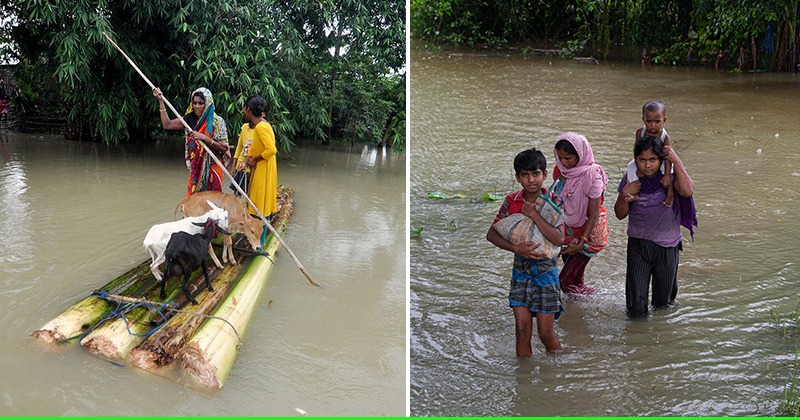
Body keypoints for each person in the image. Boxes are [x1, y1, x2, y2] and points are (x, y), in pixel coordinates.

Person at [486, 148, 565, 356]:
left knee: (545, 333)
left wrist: (532, 214)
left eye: (536, 174)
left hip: (546, 273)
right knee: (521, 331)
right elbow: (491, 234)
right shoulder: (511, 201)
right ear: (518, 178)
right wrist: (515, 248)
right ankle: (523, 381)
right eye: (525, 175)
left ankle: (559, 370)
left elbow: (559, 238)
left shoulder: (553, 201)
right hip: (520, 271)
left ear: (545, 175)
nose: (531, 180)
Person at [614, 136, 697, 318]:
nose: (647, 165)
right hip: (638, 245)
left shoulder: (670, 180)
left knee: (663, 304)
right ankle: (638, 339)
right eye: (642, 160)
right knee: (636, 307)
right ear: (635, 160)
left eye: (653, 160)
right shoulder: (631, 178)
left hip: (667, 246)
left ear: (660, 161)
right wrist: (623, 195)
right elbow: (620, 214)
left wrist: (675, 160)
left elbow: (688, 190)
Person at [552, 132, 609, 295]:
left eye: (568, 158)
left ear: (581, 155)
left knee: (565, 281)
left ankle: (592, 302)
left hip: (588, 233)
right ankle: (579, 311)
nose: (563, 162)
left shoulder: (593, 175)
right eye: (560, 157)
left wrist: (582, 241)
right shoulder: (560, 170)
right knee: (575, 281)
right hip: (568, 229)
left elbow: (593, 214)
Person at [153, 87, 231, 196]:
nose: (197, 107)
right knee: (194, 203)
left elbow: (224, 148)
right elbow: (167, 125)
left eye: (200, 103)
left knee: (213, 203)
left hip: (213, 167)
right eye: (194, 103)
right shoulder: (189, 119)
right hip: (197, 168)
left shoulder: (217, 122)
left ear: (207, 103)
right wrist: (161, 101)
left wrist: (205, 138)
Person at [241, 95, 278, 244]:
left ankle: (259, 243)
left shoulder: (261, 127)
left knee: (259, 207)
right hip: (265, 168)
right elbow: (257, 146)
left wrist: (254, 159)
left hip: (263, 170)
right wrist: (246, 160)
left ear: (248, 110)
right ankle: (259, 240)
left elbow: (271, 150)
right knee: (262, 205)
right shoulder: (264, 124)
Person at [626, 100, 673, 205]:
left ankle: (670, 194)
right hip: (642, 159)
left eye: (657, 122)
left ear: (664, 120)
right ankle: (635, 193)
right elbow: (636, 151)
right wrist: (638, 167)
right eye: (649, 121)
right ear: (643, 120)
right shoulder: (640, 132)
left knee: (672, 172)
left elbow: (668, 157)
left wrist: (666, 175)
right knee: (631, 167)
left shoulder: (665, 137)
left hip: (660, 161)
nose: (652, 125)